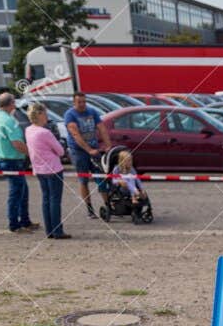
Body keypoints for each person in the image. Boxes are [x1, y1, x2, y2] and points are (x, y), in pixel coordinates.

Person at [0, 92, 37, 233]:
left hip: (4, 158)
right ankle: (15, 225)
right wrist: (33, 155)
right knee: (16, 193)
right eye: (14, 102)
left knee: (22, 191)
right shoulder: (9, 121)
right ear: (11, 104)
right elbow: (17, 144)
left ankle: (25, 221)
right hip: (12, 160)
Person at [25, 104, 71, 240]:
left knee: (46, 199)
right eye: (45, 113)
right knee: (55, 200)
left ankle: (50, 230)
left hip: (39, 169)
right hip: (53, 169)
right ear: (39, 115)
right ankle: (58, 230)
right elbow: (61, 151)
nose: (47, 116)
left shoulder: (28, 130)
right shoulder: (45, 132)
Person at [63, 90, 109, 218]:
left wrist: (108, 145)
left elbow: (102, 128)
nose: (82, 104)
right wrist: (88, 150)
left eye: (84, 101)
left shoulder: (92, 112)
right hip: (78, 151)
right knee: (84, 180)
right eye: (79, 102)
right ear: (74, 102)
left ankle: (108, 205)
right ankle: (90, 209)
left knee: (101, 177)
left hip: (94, 148)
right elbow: (75, 134)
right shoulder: (70, 115)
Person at [110, 149, 150, 220]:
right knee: (125, 179)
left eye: (131, 160)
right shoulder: (117, 169)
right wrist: (119, 181)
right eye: (128, 161)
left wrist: (142, 189)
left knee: (131, 177)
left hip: (132, 188)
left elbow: (137, 180)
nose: (130, 162)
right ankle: (135, 194)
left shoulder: (131, 169)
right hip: (122, 188)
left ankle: (134, 196)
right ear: (122, 161)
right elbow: (113, 180)